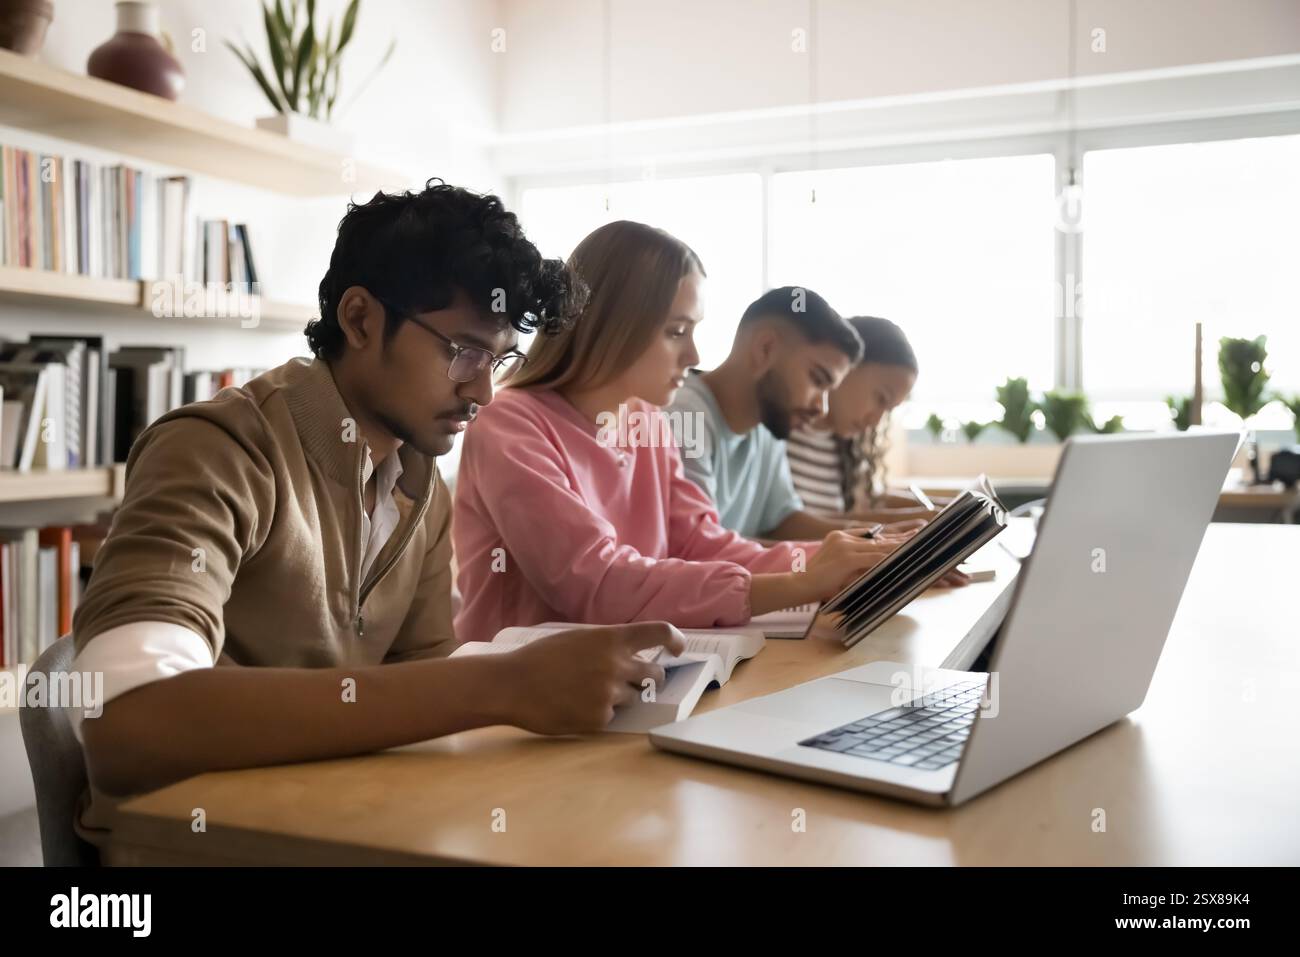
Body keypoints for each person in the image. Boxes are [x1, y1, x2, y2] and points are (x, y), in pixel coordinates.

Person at [70, 181, 684, 819]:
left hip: (349, 820)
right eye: (464, 351)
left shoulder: (416, 475)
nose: (484, 394)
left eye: (499, 360)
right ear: (360, 319)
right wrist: (504, 682)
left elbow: (422, 683)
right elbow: (127, 724)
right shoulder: (217, 450)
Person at [454, 221, 902, 641]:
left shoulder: (646, 421)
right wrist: (801, 581)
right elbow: (596, 583)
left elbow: (701, 544)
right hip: (519, 705)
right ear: (615, 323)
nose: (693, 355)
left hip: (627, 679)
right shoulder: (509, 424)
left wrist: (850, 558)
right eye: (677, 331)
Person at [786, 315, 942, 522]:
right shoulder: (780, 431)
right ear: (847, 365)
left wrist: (941, 512)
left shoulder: (847, 449)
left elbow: (869, 499)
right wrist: (916, 520)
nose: (875, 421)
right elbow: (787, 525)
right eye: (880, 398)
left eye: (888, 410)